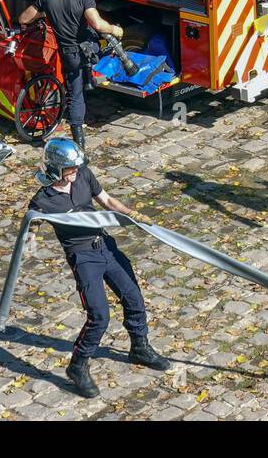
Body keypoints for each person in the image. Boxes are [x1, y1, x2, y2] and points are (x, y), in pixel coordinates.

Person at [28, 137, 171, 398]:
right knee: (99, 316)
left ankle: (139, 348)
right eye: (69, 169)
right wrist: (31, 237)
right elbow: (31, 225)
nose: (74, 172)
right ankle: (78, 366)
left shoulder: (83, 176)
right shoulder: (43, 200)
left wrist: (133, 215)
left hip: (105, 245)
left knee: (134, 298)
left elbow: (107, 200)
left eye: (75, 168)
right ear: (54, 169)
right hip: (83, 258)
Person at [18, 0, 124, 150]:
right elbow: (98, 24)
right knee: (99, 44)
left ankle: (79, 144)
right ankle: (90, 77)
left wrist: (45, 14)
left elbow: (24, 18)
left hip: (68, 55)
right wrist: (115, 30)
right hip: (88, 51)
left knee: (74, 94)